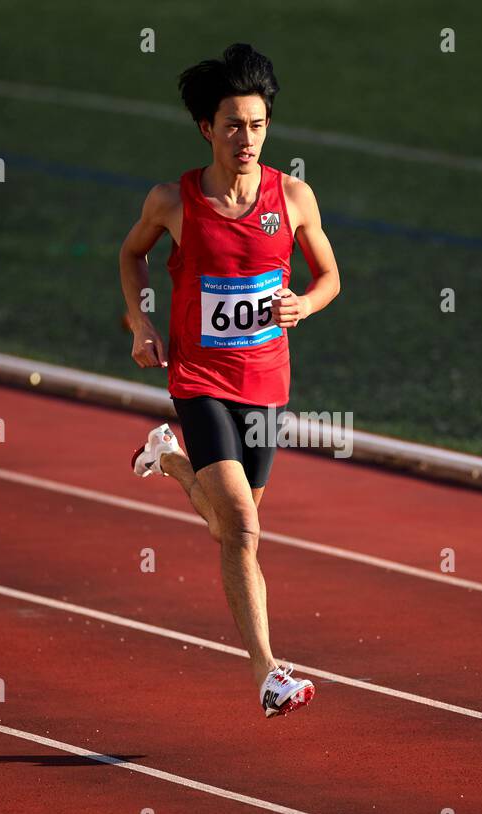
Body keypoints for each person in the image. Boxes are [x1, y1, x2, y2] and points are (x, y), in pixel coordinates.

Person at [118, 43, 341, 718]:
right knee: (243, 529)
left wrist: (306, 302)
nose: (247, 138)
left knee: (228, 529)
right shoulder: (173, 200)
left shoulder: (294, 198)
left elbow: (330, 276)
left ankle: (169, 459)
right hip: (199, 377)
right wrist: (140, 324)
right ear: (207, 129)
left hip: (267, 383)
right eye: (234, 125)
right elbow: (132, 256)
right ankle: (268, 672)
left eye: (258, 124)